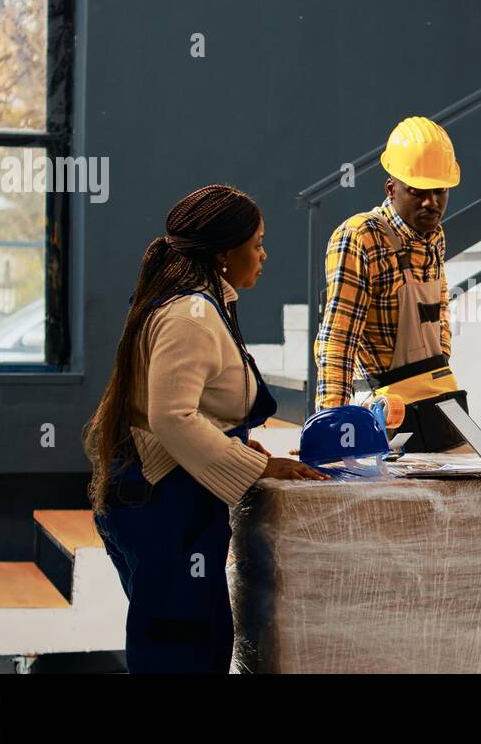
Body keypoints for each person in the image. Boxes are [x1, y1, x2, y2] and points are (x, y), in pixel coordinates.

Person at [83, 184, 327, 674]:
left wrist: (231, 436)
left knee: (197, 639)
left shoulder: (199, 304)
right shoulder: (189, 315)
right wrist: (258, 464)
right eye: (256, 243)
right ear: (223, 254)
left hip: (167, 500)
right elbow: (171, 416)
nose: (264, 253)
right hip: (163, 505)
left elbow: (188, 405)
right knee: (181, 648)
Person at [313, 116, 468, 452]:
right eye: (418, 190)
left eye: (439, 190)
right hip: (392, 415)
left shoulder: (434, 236)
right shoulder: (360, 236)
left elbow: (439, 310)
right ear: (391, 188)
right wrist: (332, 429)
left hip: (445, 405)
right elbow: (337, 340)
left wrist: (438, 369)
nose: (432, 203)